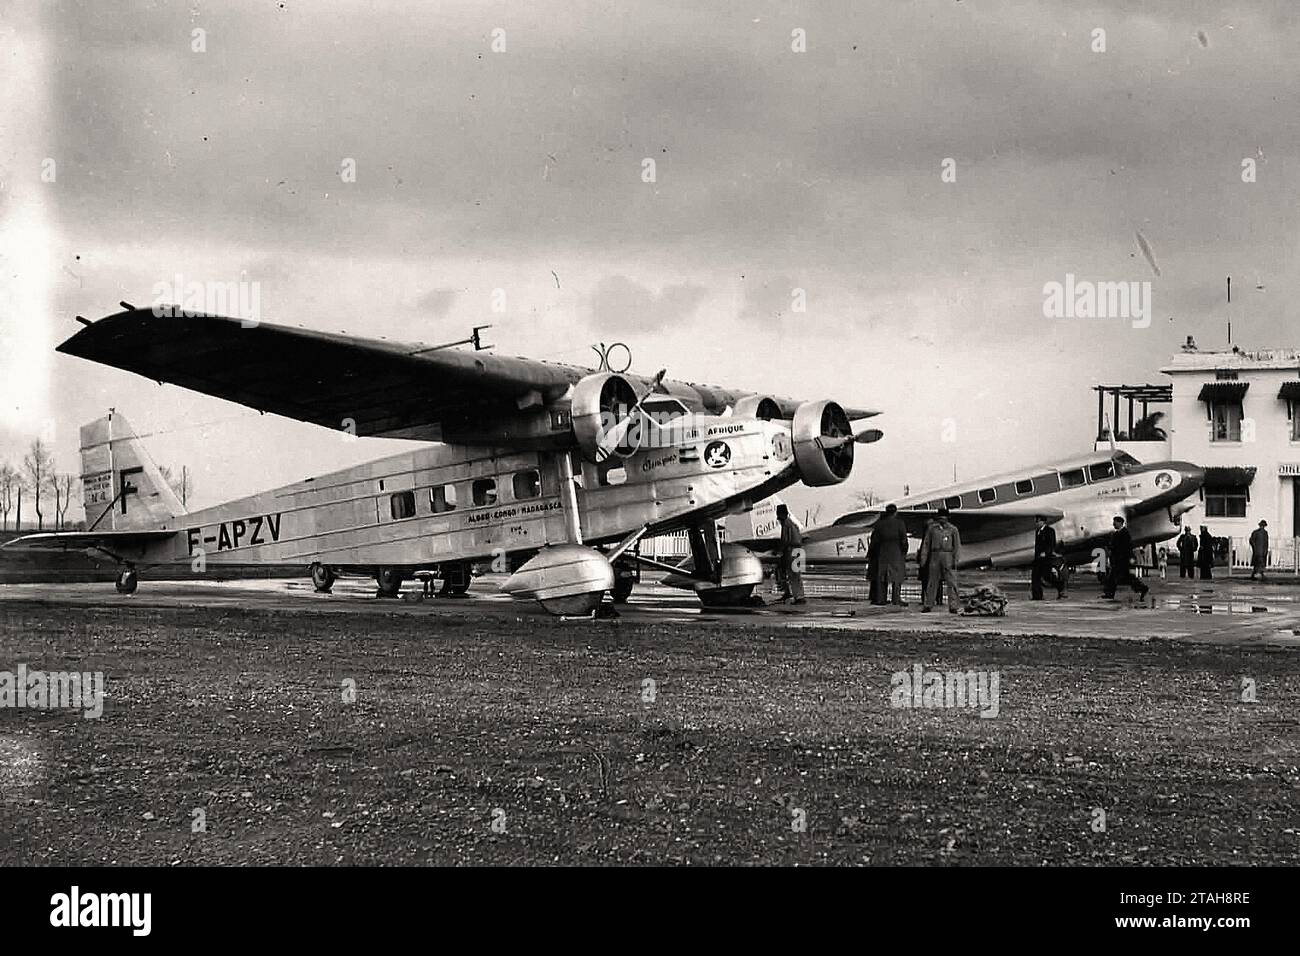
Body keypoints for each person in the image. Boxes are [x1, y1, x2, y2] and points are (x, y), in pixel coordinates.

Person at [919, 507, 961, 613]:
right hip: (935, 554)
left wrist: (955, 560)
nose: (942, 519)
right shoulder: (932, 529)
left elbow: (956, 546)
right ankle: (928, 604)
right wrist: (923, 558)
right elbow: (926, 544)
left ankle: (953, 605)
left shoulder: (953, 529)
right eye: (940, 517)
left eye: (944, 517)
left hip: (948, 554)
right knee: (932, 581)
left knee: (951, 582)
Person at [1103, 515, 1149, 603]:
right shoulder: (1117, 533)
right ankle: (1109, 593)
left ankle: (1142, 588)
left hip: (1122, 560)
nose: (1113, 524)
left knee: (1124, 577)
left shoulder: (1125, 533)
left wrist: (1128, 558)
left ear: (1120, 523)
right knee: (1115, 577)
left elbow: (1127, 547)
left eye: (1115, 522)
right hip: (1117, 559)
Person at [871, 503, 909, 606]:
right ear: (895, 512)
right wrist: (904, 551)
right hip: (896, 552)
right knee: (897, 578)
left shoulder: (880, 524)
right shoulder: (900, 523)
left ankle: (881, 599)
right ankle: (896, 599)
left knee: (882, 577)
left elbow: (874, 540)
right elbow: (904, 540)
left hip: (883, 552)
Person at [776, 504, 806, 605]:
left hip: (792, 551)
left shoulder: (786, 524)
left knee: (792, 575)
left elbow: (785, 540)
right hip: (799, 550)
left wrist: (780, 551)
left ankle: (797, 597)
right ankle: (800, 595)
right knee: (797, 575)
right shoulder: (793, 524)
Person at [1031, 514, 1065, 600]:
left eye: (1037, 521)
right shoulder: (1037, 531)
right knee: (1035, 578)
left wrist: (1046, 553)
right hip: (1038, 559)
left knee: (1048, 577)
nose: (1036, 523)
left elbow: (1052, 544)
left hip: (1047, 559)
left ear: (1042, 521)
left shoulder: (1050, 531)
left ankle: (1060, 588)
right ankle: (1037, 596)